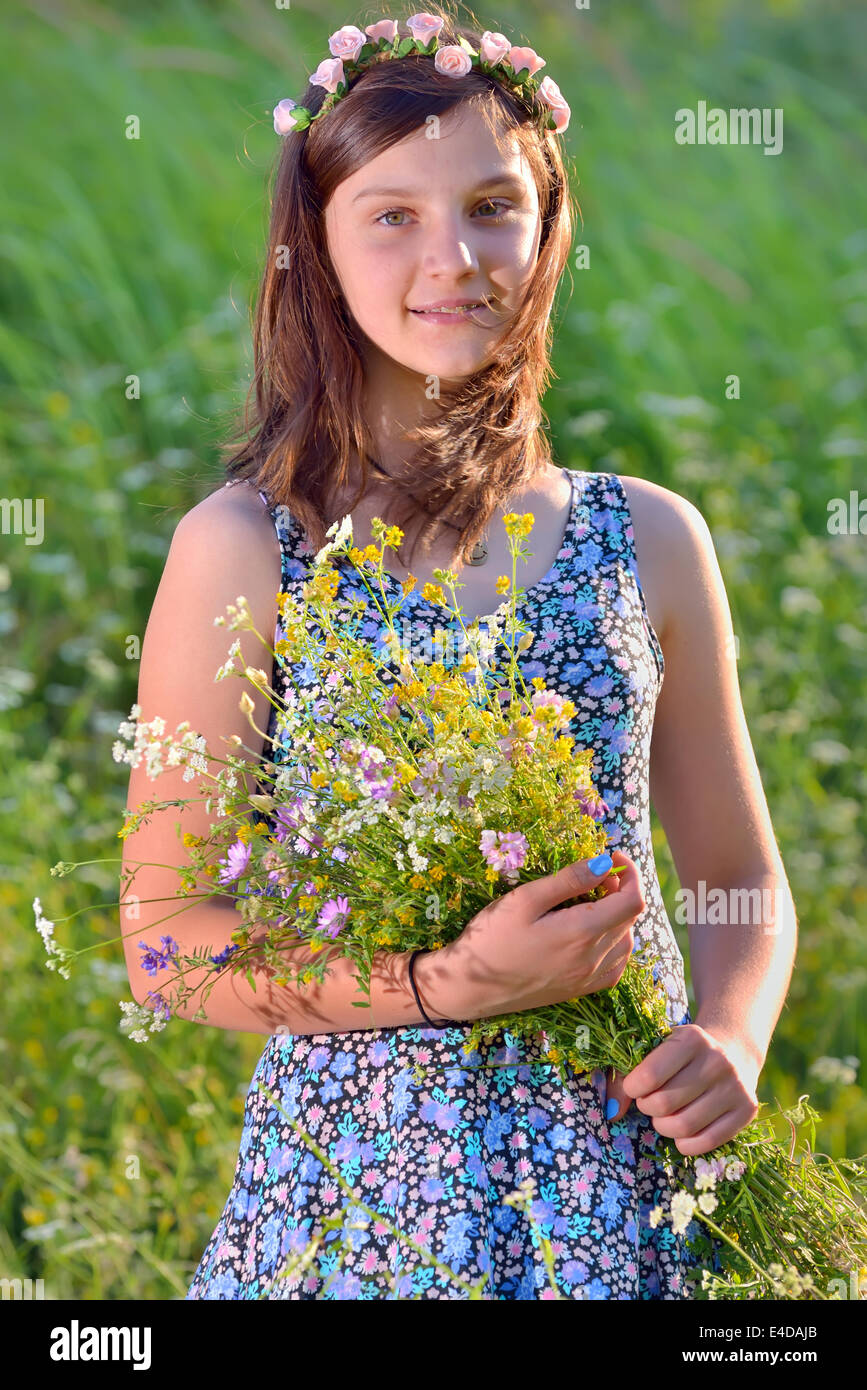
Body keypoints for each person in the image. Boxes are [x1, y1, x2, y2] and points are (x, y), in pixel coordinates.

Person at [121, 7, 797, 1300]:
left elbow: (734, 879)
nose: (456, 256)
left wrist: (731, 1032)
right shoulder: (250, 547)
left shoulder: (648, 537)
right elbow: (167, 943)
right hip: (357, 1192)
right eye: (393, 214)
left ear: (547, 232)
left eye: (495, 205)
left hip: (621, 1171)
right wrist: (450, 982)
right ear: (311, 245)